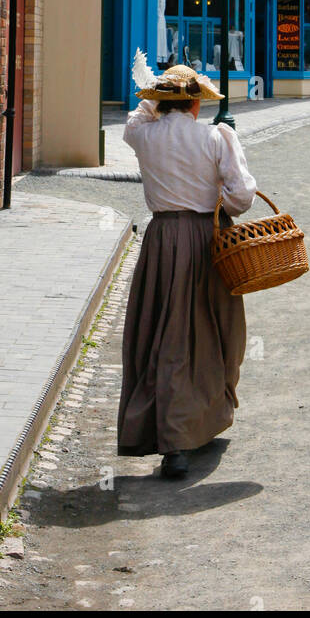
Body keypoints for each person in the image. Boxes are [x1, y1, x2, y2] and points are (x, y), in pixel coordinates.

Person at [117, 63, 257, 480]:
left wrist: (153, 98)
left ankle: (172, 431)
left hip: (162, 240)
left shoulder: (143, 134)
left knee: (164, 331)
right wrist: (220, 204)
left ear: (162, 103)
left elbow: (135, 116)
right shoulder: (216, 136)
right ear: (197, 102)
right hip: (208, 239)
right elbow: (243, 195)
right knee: (214, 330)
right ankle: (185, 434)